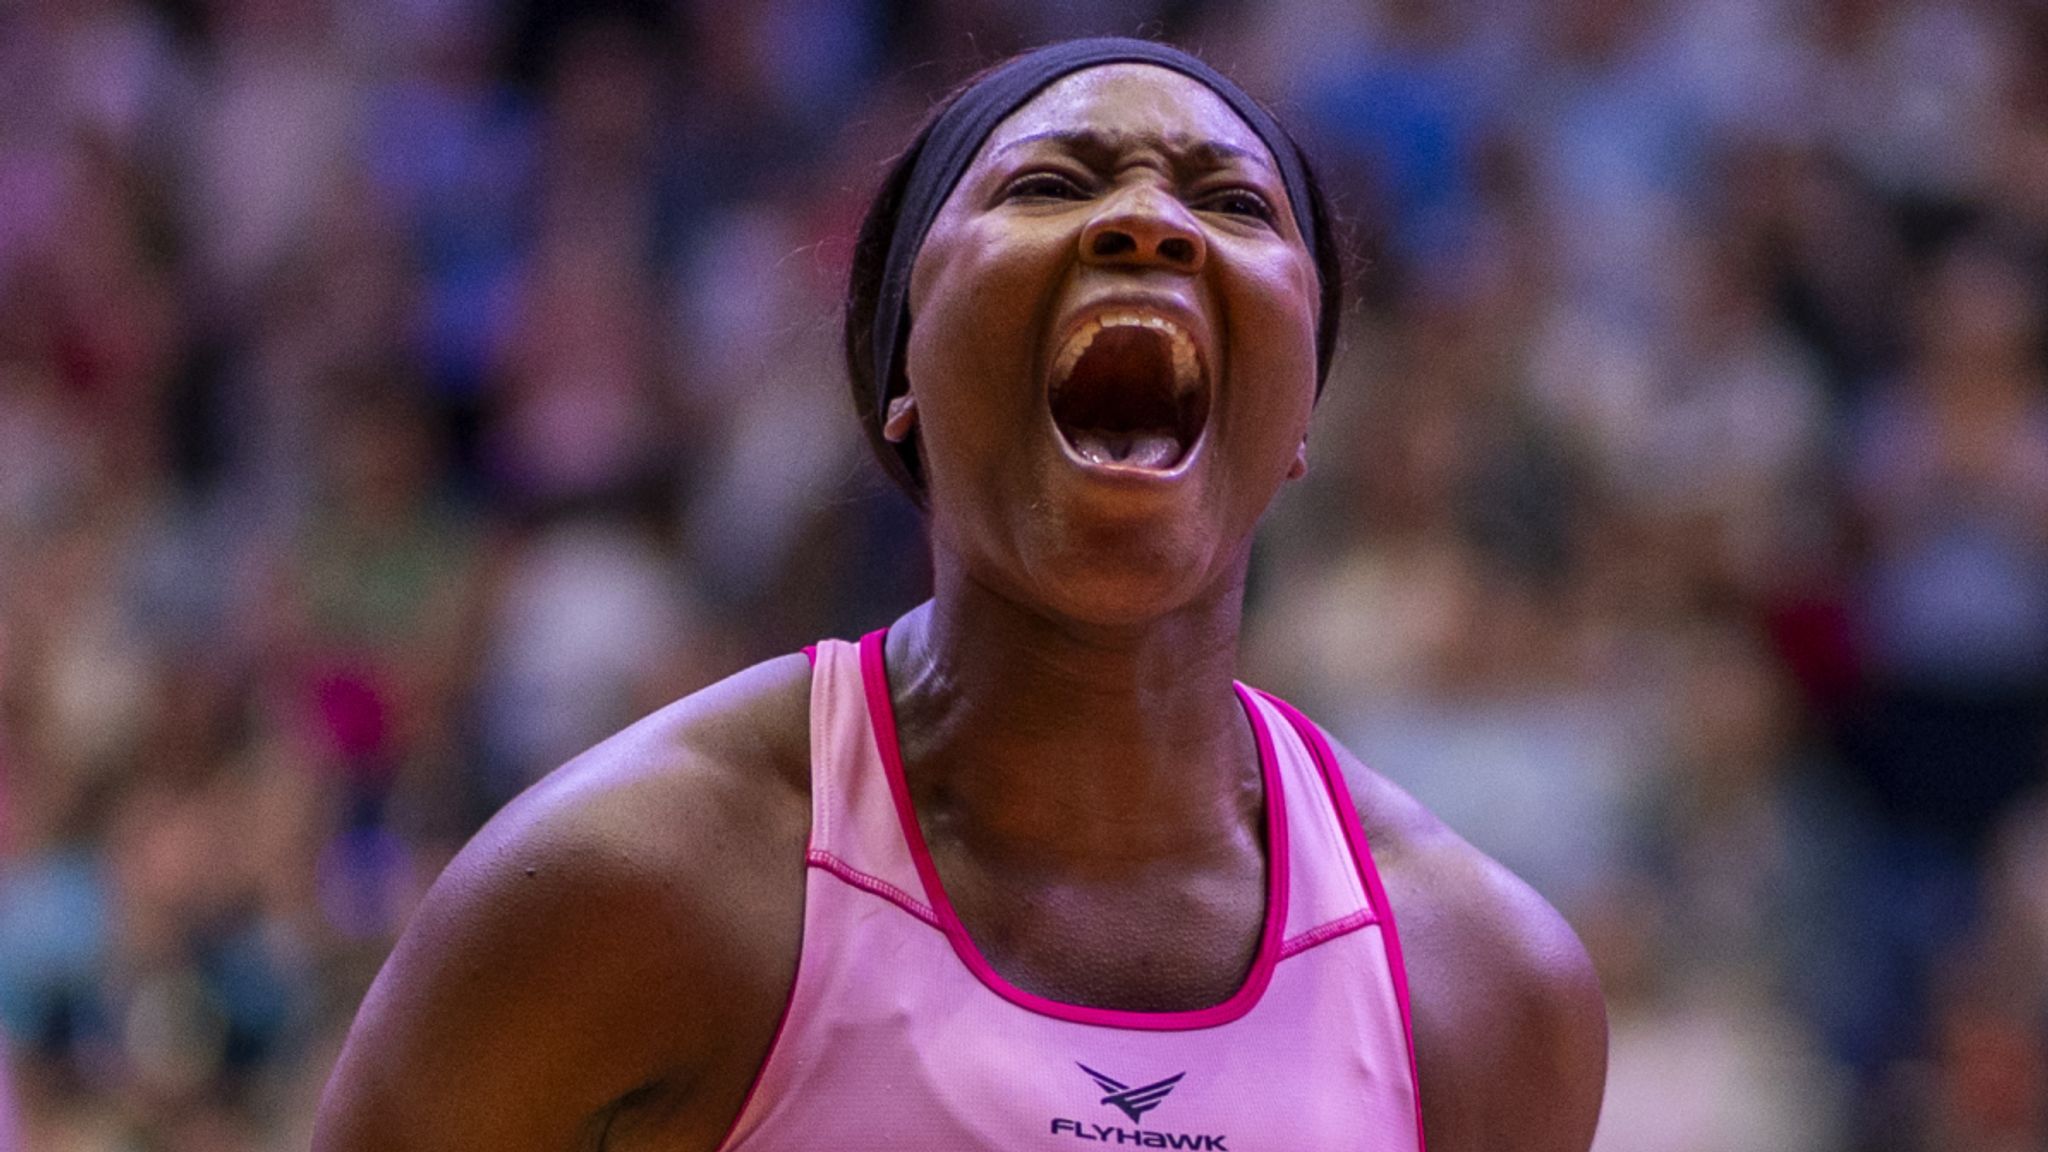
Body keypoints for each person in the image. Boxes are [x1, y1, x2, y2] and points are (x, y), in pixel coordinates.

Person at [312, 38, 1607, 1151]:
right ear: (902, 374)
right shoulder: (626, 882)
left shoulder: (1486, 981)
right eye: (1050, 182)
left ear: (1303, 415)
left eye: (1236, 203)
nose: (1149, 221)